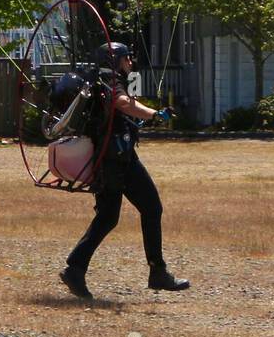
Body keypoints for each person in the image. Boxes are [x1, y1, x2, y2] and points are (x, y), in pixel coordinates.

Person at [60, 41, 189, 299]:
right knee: (150, 207)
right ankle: (157, 273)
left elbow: (124, 106)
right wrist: (155, 114)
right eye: (127, 58)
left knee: (108, 217)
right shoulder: (110, 82)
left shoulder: (99, 81)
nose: (130, 62)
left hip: (111, 157)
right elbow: (123, 103)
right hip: (118, 160)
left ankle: (75, 268)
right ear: (116, 59)